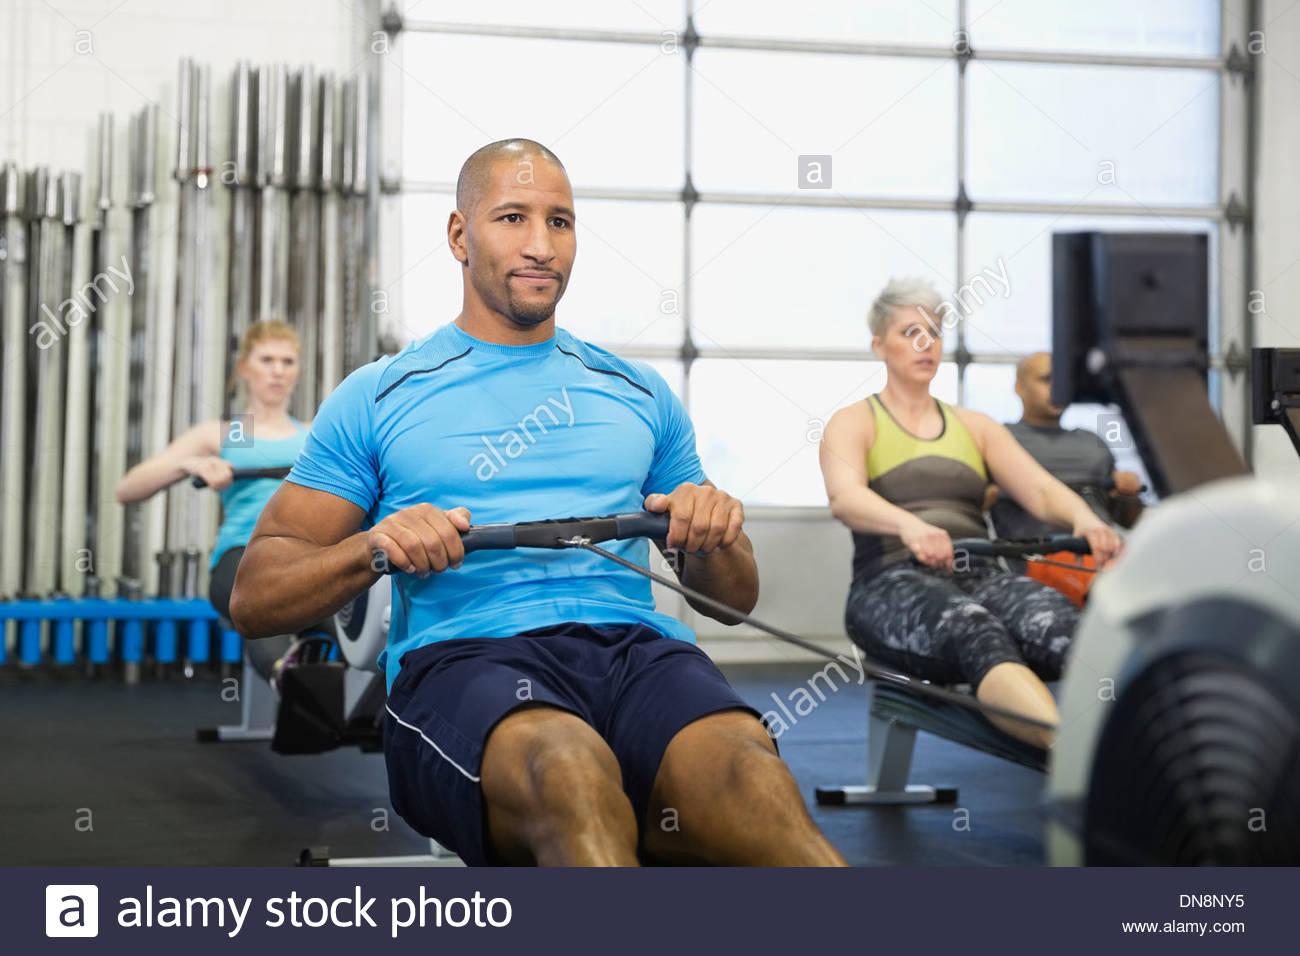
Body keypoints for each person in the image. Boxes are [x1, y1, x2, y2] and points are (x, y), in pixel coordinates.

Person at [230, 138, 845, 867]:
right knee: (569, 775)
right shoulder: (377, 395)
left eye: (560, 222)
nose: (541, 246)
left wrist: (716, 533)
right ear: (460, 236)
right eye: (513, 218)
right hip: (467, 658)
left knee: (755, 782)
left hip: (637, 656)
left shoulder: (638, 393)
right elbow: (256, 596)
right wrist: (376, 545)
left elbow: (731, 603)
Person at [818, 279, 1124, 750]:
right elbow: (845, 497)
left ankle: (1145, 755)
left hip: (979, 573)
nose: (926, 344)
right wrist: (911, 526)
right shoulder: (854, 421)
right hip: (889, 583)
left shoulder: (975, 426)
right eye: (909, 333)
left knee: (1069, 627)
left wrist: (1086, 520)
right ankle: (1075, 762)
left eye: (934, 333)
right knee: (974, 628)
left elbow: (1041, 491)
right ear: (879, 345)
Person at [115, 319, 316, 675]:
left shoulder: (311, 433)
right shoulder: (234, 432)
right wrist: (189, 465)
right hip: (242, 555)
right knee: (259, 596)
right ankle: (289, 674)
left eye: (287, 362)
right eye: (266, 360)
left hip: (304, 554)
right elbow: (127, 489)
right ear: (244, 368)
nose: (278, 372)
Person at [986, 351, 1144, 538]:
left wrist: (1128, 493)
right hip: (1033, 559)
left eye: (1062, 381)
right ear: (1019, 388)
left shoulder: (1092, 443)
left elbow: (1130, 519)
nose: (1057, 389)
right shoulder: (998, 439)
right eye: (1046, 379)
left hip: (1098, 555)